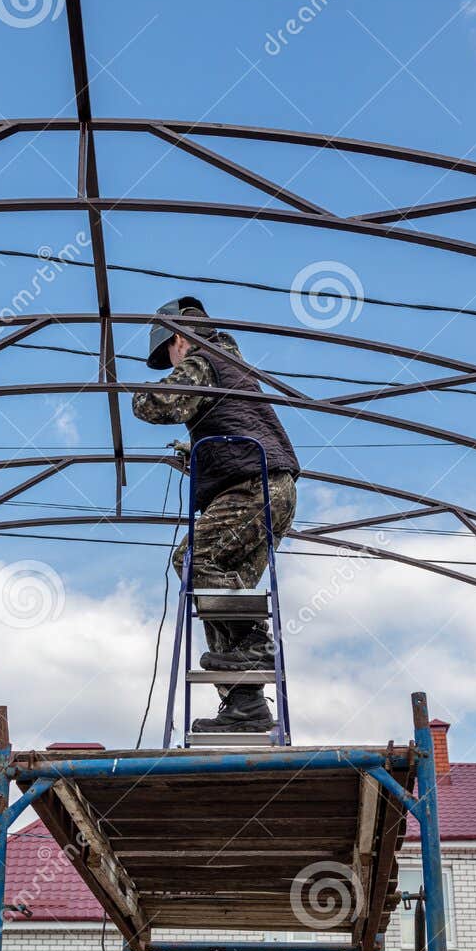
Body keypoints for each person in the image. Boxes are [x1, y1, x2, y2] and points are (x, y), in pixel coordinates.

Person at [131, 296, 300, 733]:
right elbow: (235, 423)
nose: (170, 358)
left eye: (168, 350)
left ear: (180, 339)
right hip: (269, 489)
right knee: (225, 589)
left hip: (252, 489)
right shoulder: (233, 366)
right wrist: (200, 455)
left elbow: (160, 404)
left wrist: (136, 397)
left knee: (193, 561)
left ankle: (256, 643)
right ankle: (245, 704)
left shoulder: (206, 360)